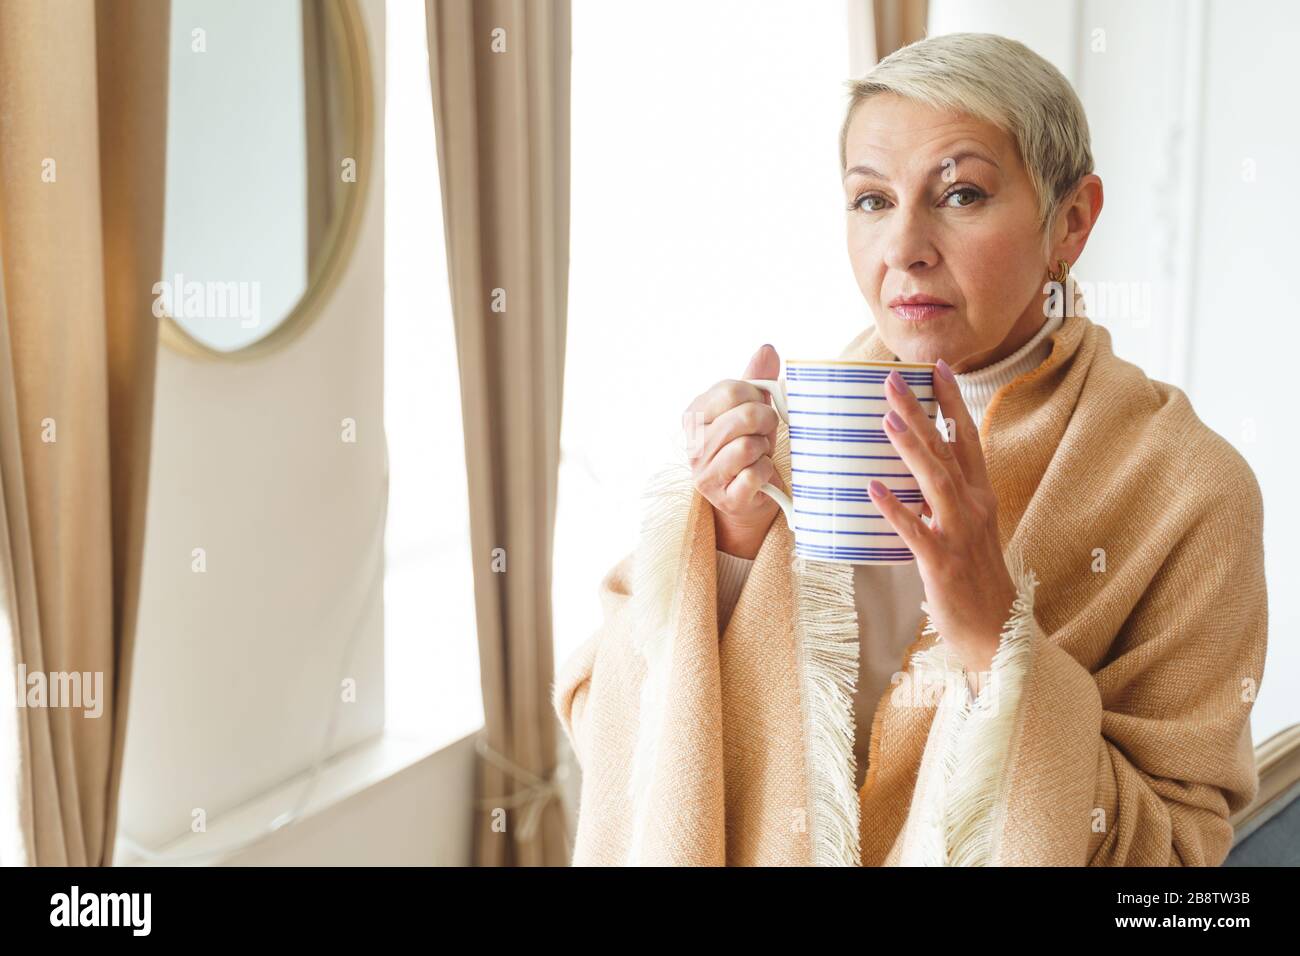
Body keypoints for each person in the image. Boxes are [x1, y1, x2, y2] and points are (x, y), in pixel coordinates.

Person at [553, 32, 1267, 866]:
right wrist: (730, 553)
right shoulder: (785, 442)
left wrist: (995, 644)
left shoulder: (1189, 489)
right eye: (871, 200)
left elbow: (1176, 866)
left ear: (1070, 221)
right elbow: (602, 723)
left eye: (960, 194)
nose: (903, 248)